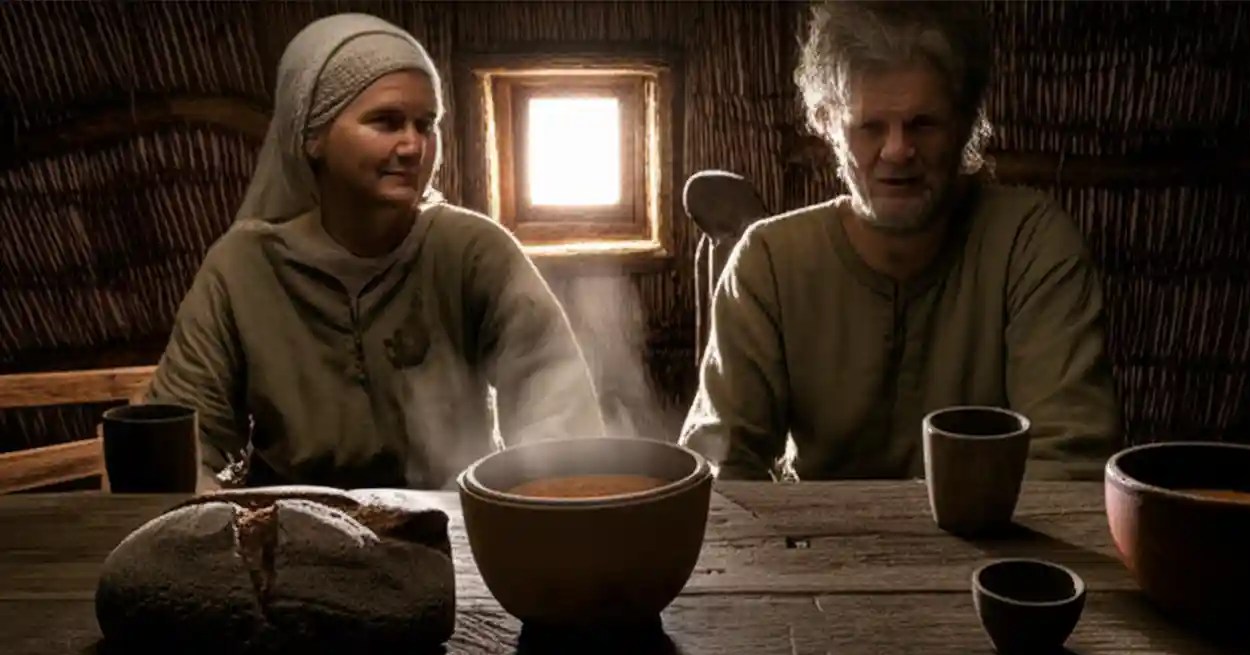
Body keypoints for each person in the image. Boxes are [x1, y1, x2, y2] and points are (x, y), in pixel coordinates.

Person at [146, 13, 604, 491]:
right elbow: (184, 446)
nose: (413, 146)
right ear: (313, 136)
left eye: (425, 125)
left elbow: (560, 418)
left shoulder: (470, 252)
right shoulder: (243, 268)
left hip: (452, 534)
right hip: (291, 534)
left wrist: (527, 513)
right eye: (386, 122)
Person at [680, 0, 1120, 482]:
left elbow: (1069, 463)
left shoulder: (1029, 246)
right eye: (870, 126)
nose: (897, 151)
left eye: (923, 124)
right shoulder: (768, 262)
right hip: (811, 551)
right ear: (828, 125)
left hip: (994, 551)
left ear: (966, 121)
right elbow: (722, 472)